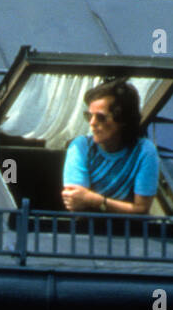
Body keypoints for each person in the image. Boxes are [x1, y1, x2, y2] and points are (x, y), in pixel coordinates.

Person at [60, 78, 159, 215]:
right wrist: (121, 207)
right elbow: (76, 202)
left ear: (123, 120)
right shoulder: (80, 146)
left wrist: (96, 201)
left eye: (101, 117)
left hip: (128, 232)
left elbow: (141, 209)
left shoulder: (144, 151)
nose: (92, 123)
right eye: (89, 116)